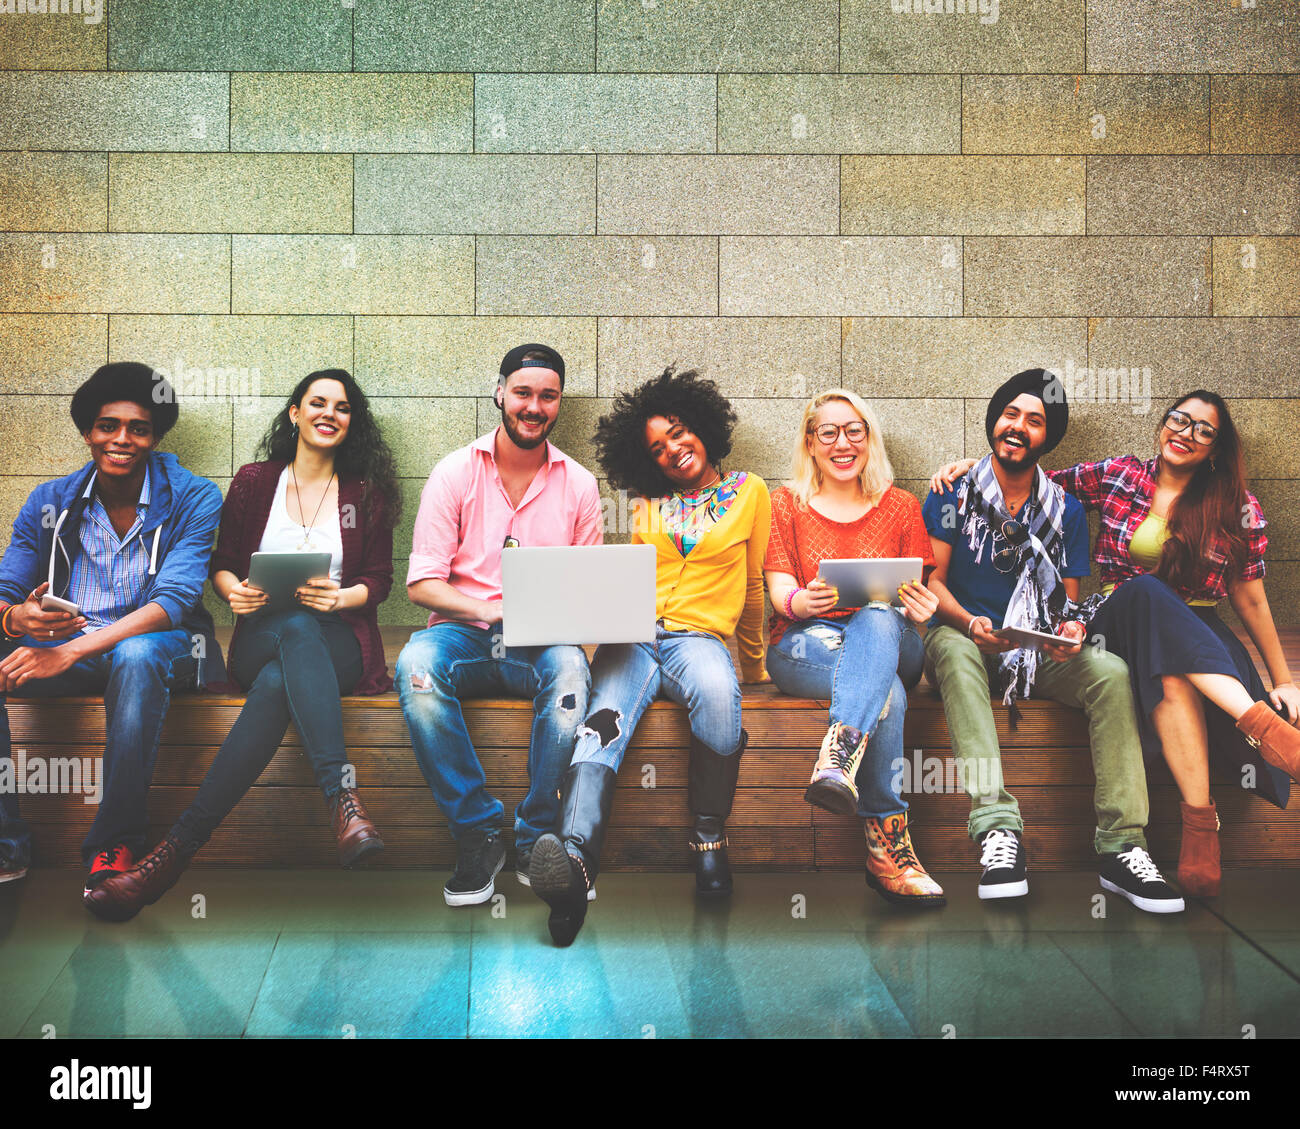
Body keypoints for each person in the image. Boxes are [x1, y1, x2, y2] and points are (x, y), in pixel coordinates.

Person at [935, 390, 1300, 896]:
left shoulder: (1236, 508)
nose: (1185, 432)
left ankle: (1199, 828)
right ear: (1161, 425)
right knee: (1145, 589)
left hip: (1196, 632)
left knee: (1170, 671)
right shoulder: (1120, 475)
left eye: (1203, 429)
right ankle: (1265, 729)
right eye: (1178, 419)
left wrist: (1284, 681)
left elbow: (1253, 602)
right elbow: (1029, 478)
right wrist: (972, 467)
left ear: (1216, 449)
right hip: (1116, 615)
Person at [83, 369, 400, 921]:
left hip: (339, 641)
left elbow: (379, 579)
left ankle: (169, 857)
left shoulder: (364, 492)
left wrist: (342, 597)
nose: (329, 413)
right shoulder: (256, 481)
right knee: (290, 634)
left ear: (353, 423)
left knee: (289, 665)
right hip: (261, 634)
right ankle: (341, 800)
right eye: (317, 402)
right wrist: (235, 593)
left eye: (343, 407)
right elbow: (221, 563)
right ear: (296, 413)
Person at [921, 369, 1183, 913]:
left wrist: (1068, 632)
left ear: (1048, 437)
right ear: (994, 421)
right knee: (948, 646)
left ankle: (1122, 846)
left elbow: (1065, 601)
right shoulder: (954, 493)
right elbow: (932, 583)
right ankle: (997, 832)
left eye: (1034, 421)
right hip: (966, 638)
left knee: (1109, 672)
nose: (1018, 427)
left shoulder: (1063, 509)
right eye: (1010, 414)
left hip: (1032, 651)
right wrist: (971, 623)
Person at [529, 367, 771, 946]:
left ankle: (709, 836)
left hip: (699, 639)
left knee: (718, 695)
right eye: (657, 448)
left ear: (705, 428)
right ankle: (574, 858)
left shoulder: (751, 492)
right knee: (599, 726)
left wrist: (756, 665)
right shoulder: (644, 505)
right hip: (634, 637)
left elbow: (756, 585)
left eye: (680, 433)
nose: (673, 450)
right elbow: (629, 579)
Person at [0, 362, 224, 907]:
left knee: (137, 653)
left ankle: (114, 845)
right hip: (70, 648)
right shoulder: (50, 501)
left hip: (165, 648)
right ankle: (7, 844)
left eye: (138, 428)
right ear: (88, 432)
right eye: (108, 426)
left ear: (154, 437)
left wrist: (68, 650)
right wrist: (15, 620)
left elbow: (173, 603)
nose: (122, 439)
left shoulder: (194, 497)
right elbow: (7, 586)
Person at [397, 344, 602, 908]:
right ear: (500, 393)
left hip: (539, 642)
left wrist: (571, 618)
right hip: (463, 633)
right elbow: (421, 585)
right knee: (415, 665)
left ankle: (538, 837)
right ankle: (478, 832)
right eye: (523, 393)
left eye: (547, 396)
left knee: (569, 671)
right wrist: (489, 610)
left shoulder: (579, 485)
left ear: (558, 402)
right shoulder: (454, 472)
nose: (534, 406)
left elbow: (587, 591)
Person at [763, 389, 945, 906]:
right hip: (806, 644)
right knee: (883, 690)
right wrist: (802, 601)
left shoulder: (902, 506)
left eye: (854, 431)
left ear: (869, 438)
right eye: (829, 432)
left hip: (894, 639)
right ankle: (888, 848)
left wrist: (921, 610)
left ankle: (838, 758)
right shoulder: (785, 504)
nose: (843, 443)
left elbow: (916, 594)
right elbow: (780, 595)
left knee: (878, 614)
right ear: (810, 441)